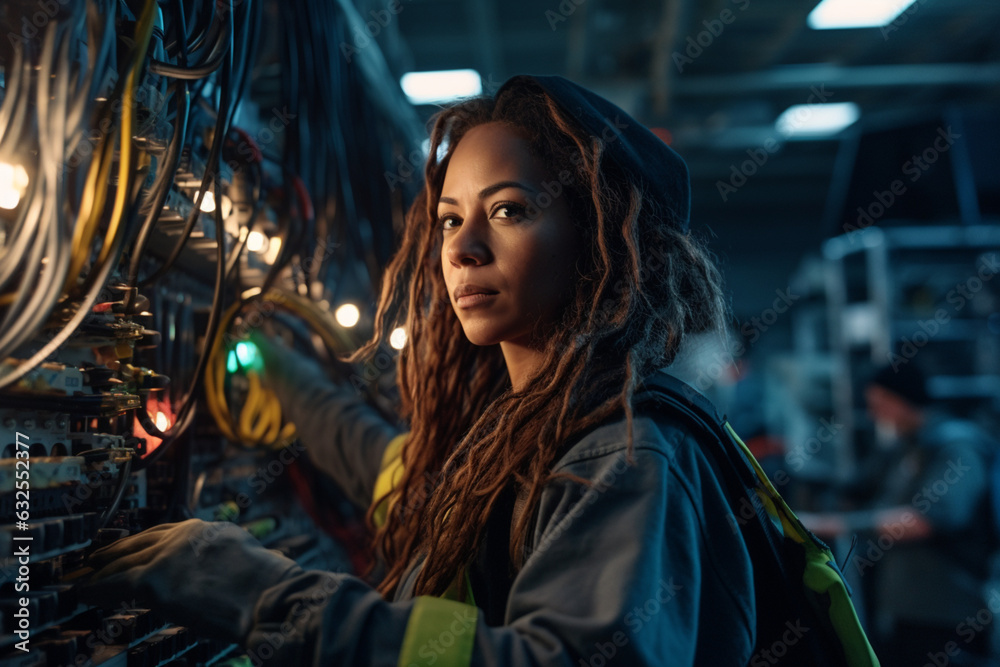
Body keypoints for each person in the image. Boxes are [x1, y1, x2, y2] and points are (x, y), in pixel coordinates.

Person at [82, 75, 769, 665]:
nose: (464, 248)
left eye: (508, 210)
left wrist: (260, 593)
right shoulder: (520, 432)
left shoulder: (623, 452)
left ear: (604, 233)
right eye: (448, 218)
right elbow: (396, 474)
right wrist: (287, 377)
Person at [803, 362, 998, 667]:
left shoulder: (957, 447)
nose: (873, 414)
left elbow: (926, 520)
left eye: (878, 404)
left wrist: (835, 525)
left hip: (948, 615)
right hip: (907, 613)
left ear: (901, 400)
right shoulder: (906, 448)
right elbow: (859, 492)